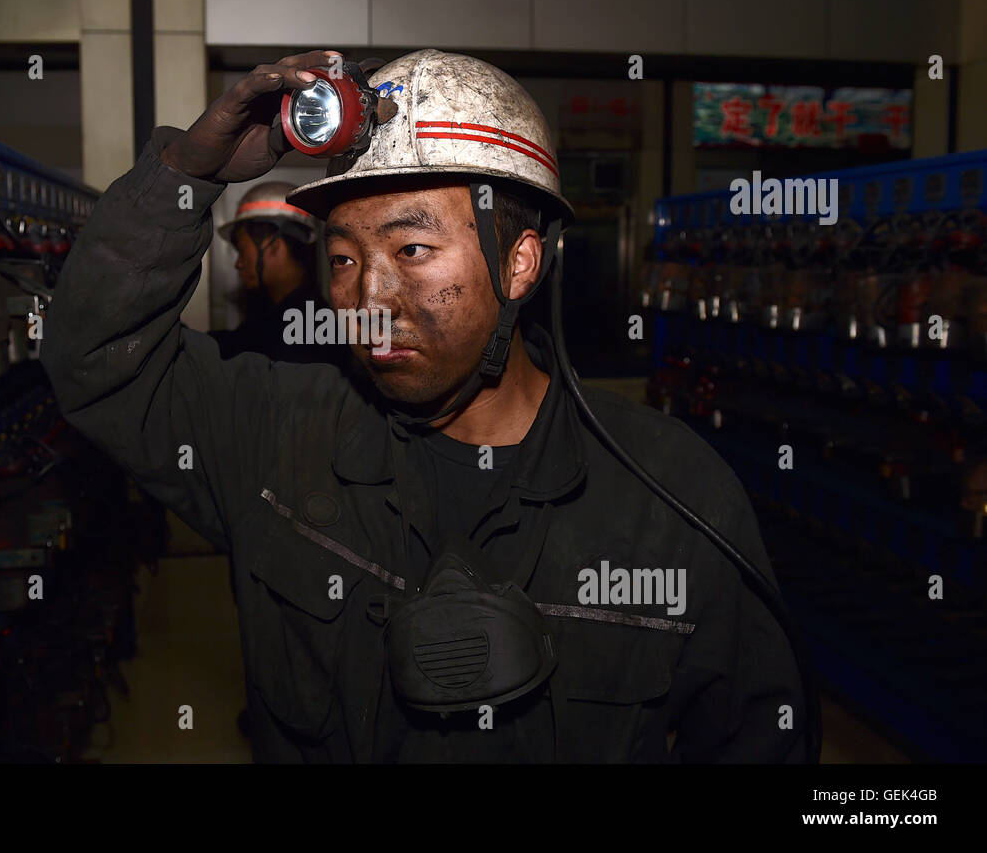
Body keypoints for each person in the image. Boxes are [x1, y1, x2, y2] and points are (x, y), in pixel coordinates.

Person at [41, 48, 808, 763]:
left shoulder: (669, 498)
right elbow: (97, 362)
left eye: (411, 251)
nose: (368, 298)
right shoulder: (277, 433)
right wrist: (184, 175)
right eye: (342, 258)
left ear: (519, 263)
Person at [207, 183, 344, 368]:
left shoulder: (306, 330)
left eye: (242, 250)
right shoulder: (278, 316)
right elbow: (233, 345)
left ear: (274, 247)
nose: (238, 263)